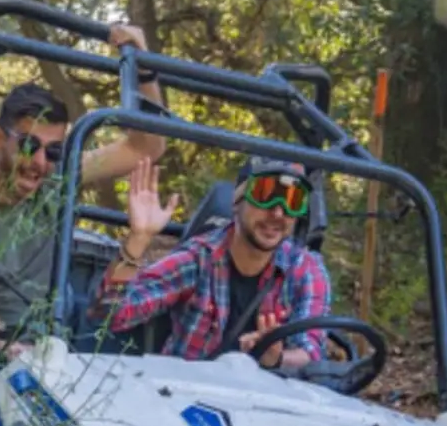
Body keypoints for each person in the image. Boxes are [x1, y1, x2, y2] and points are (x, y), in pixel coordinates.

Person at [0, 23, 167, 386]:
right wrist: (22, 360)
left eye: (53, 151)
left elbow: (146, 147)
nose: (39, 162)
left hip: (52, 349)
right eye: (27, 145)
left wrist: (143, 67)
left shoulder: (54, 182)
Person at [89, 155, 333, 369]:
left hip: (265, 408)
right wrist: (138, 239)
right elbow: (109, 317)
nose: (278, 212)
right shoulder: (199, 260)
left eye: (292, 200)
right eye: (265, 195)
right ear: (238, 202)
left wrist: (278, 359)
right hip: (181, 398)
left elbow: (310, 352)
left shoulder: (305, 269)